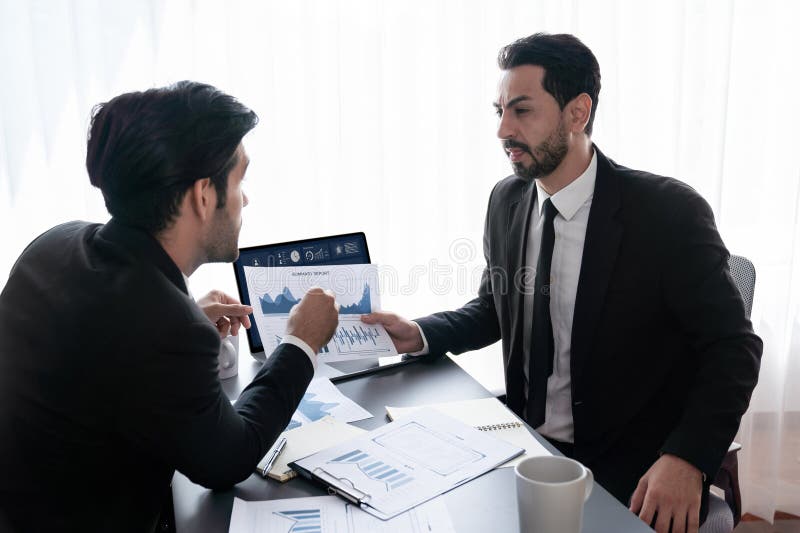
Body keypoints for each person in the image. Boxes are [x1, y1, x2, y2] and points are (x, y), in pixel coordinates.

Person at [362, 33, 762, 533]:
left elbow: (733, 348)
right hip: (524, 445)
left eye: (523, 111)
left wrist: (687, 458)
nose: (503, 129)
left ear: (578, 114)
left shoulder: (667, 214)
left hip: (631, 466)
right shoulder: (507, 200)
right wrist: (419, 333)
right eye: (500, 110)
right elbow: (495, 306)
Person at [0, 81, 339, 532]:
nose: (245, 199)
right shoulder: (164, 327)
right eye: (240, 181)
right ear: (203, 195)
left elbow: (104, 347)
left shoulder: (54, 245)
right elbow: (227, 460)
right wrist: (302, 341)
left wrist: (183, 318)